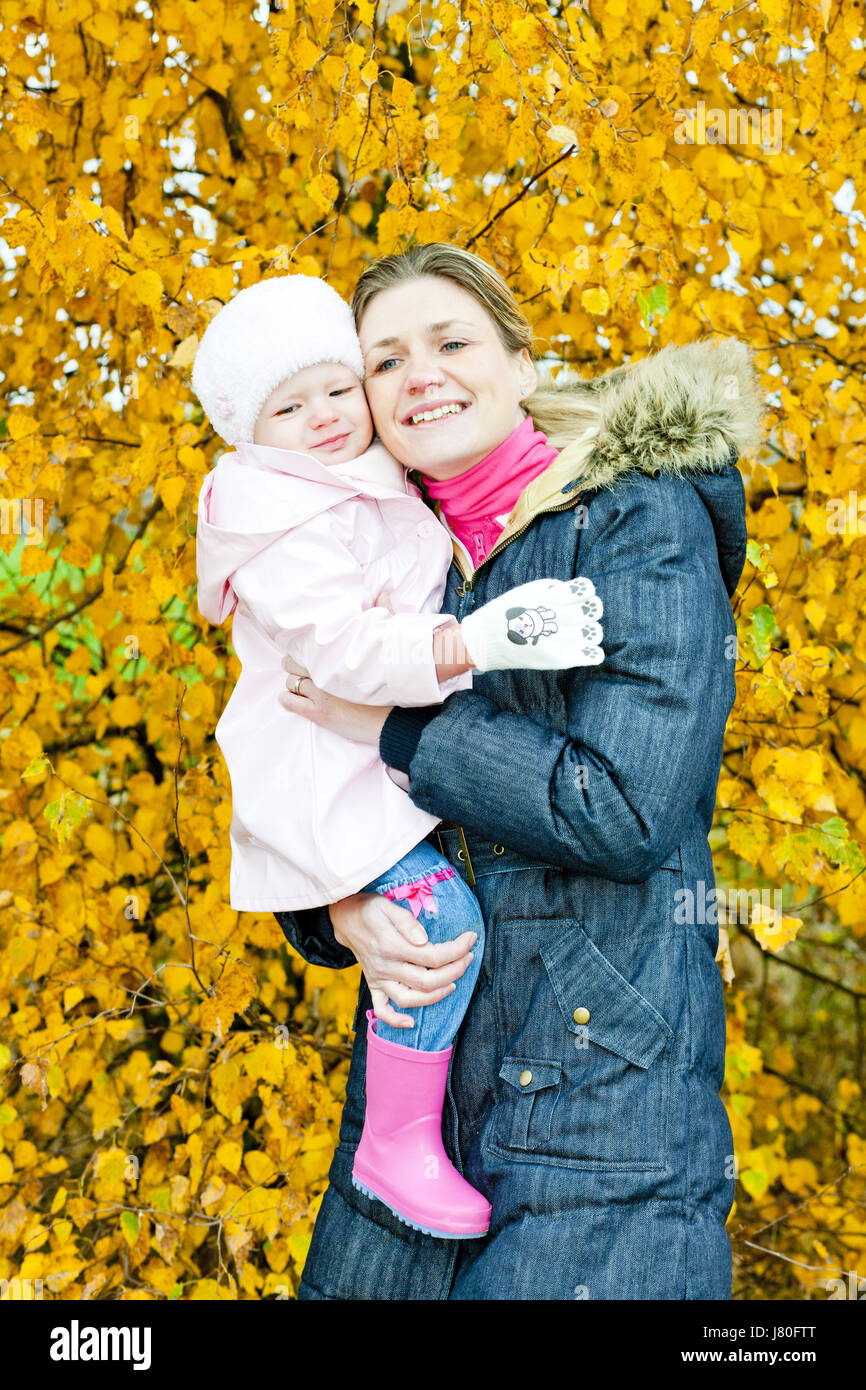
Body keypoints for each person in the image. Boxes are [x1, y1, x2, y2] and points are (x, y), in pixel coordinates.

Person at [274, 243, 764, 1301]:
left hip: (603, 1115)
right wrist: (339, 905)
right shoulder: (372, 565)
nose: (421, 376)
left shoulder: (635, 520)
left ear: (522, 359)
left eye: (450, 342)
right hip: (415, 1121)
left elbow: (624, 807)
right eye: (385, 360)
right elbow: (297, 771)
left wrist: (401, 731)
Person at [190, 273, 606, 1241]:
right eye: (288, 408)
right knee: (434, 921)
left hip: (379, 772)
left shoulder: (379, 477)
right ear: (250, 435)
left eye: (337, 387)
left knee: (428, 922)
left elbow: (613, 806)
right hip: (327, 769)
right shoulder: (283, 515)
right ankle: (395, 1140)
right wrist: (468, 646)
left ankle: (401, 1142)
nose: (327, 416)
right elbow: (340, 647)